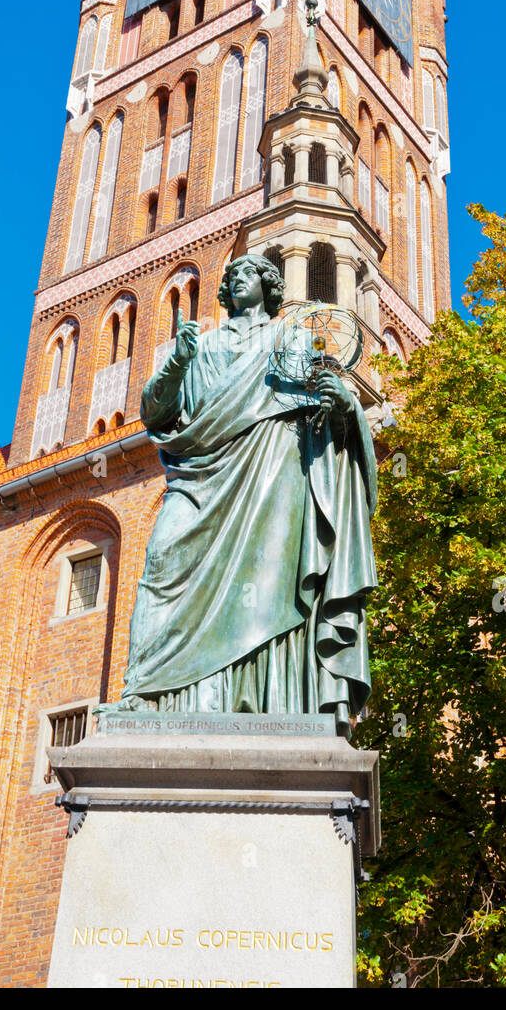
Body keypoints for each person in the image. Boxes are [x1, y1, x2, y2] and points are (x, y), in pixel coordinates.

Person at [119, 253, 377, 735]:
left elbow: (325, 413)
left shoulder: (291, 338)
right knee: (162, 562)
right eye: (231, 276)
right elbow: (155, 414)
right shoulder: (200, 345)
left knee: (268, 584)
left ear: (269, 286)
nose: (237, 281)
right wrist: (176, 361)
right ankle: (147, 690)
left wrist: (344, 406)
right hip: (200, 474)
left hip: (273, 471)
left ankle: (270, 699)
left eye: (248, 274)